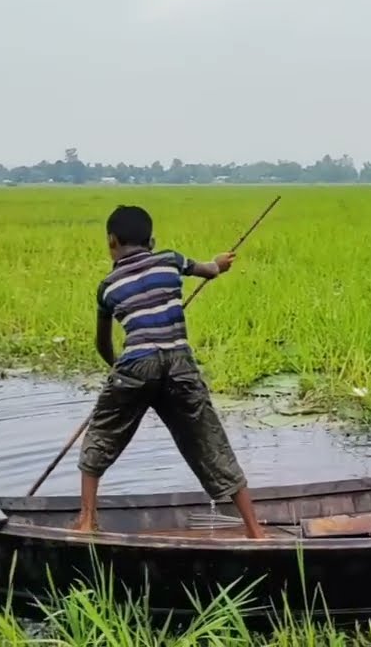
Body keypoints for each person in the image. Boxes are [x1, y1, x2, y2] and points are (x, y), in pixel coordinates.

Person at [72, 204, 266, 538]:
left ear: (111, 242)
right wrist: (219, 264)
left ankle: (87, 521)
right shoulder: (170, 260)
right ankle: (254, 531)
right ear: (152, 240)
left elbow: (103, 344)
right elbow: (208, 270)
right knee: (209, 441)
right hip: (179, 362)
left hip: (136, 363)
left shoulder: (107, 287)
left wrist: (118, 371)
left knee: (101, 435)